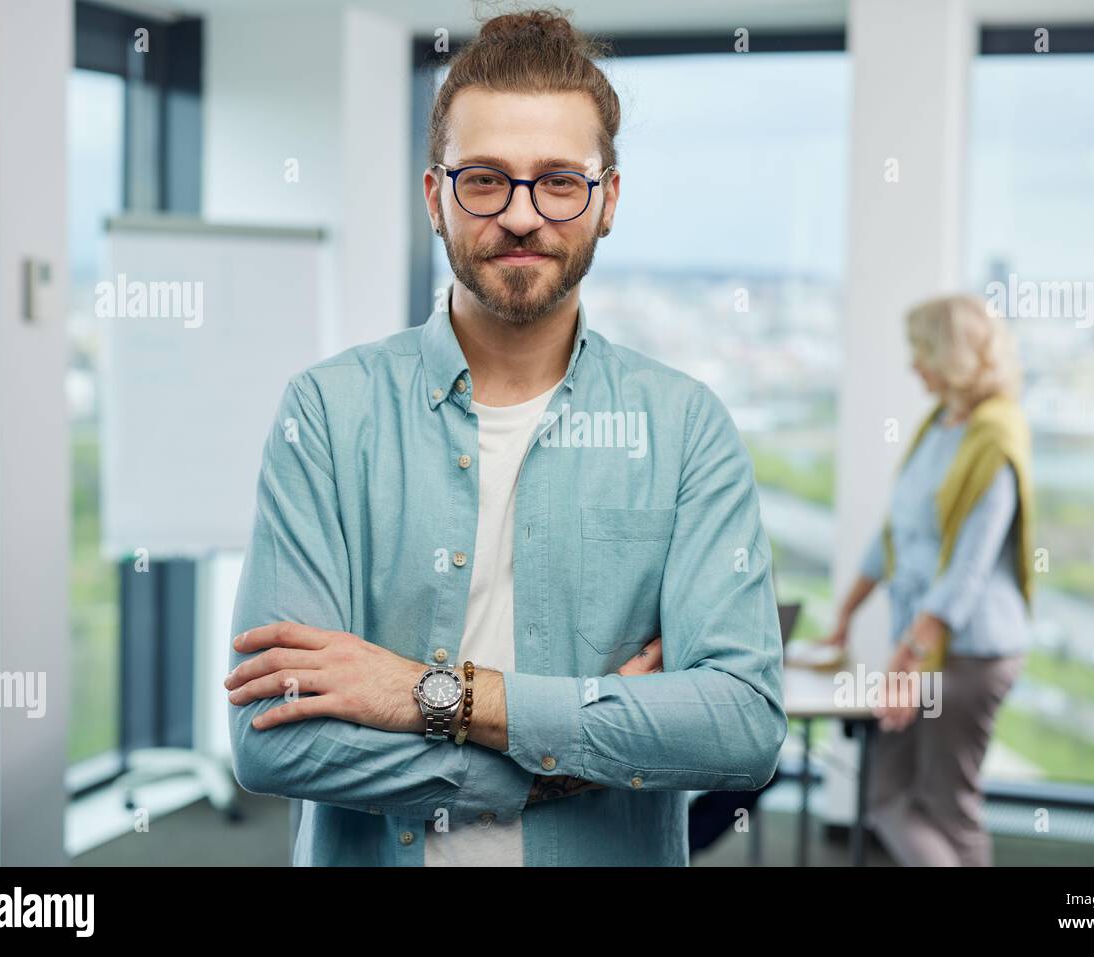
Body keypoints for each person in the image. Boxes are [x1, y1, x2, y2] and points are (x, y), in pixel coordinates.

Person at [223, 8, 786, 867]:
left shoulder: (683, 428)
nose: (523, 216)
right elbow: (272, 738)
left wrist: (424, 694)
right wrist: (553, 763)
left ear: (609, 201)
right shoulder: (328, 415)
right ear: (435, 196)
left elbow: (741, 725)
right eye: (485, 179)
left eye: (560, 180)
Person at [825, 294, 1033, 866]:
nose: (913, 365)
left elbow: (965, 574)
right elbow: (895, 531)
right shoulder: (941, 424)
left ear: (950, 356)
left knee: (948, 807)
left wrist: (906, 661)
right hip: (921, 649)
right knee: (886, 794)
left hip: (967, 655)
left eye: (920, 351)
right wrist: (846, 612)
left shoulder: (995, 437)